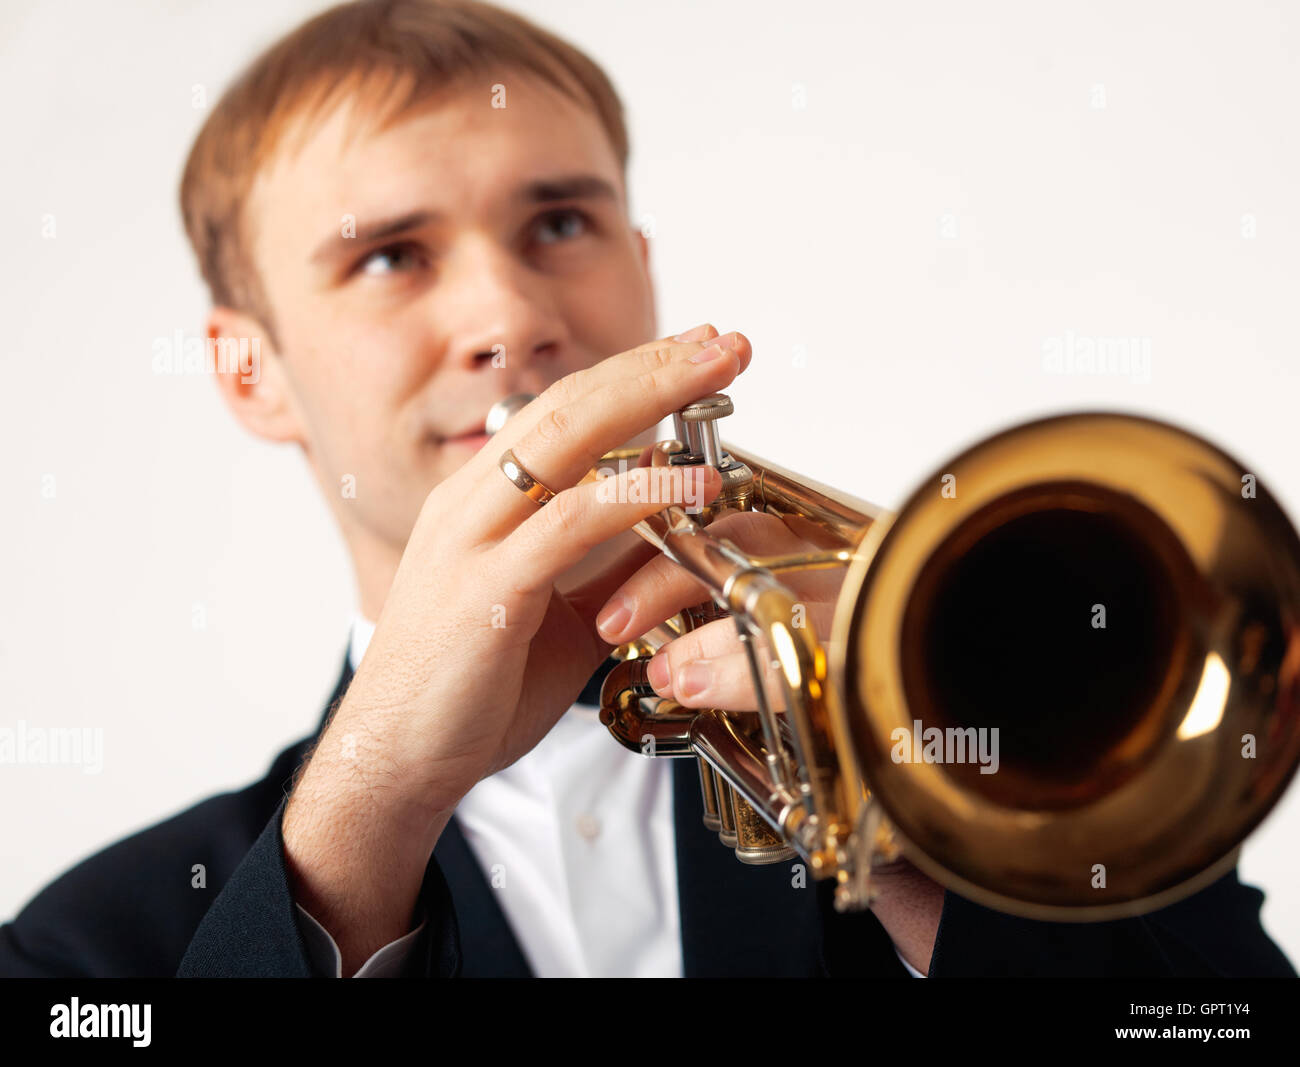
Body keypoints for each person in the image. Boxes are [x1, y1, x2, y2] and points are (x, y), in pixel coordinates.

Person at [1, 0, 1293, 979]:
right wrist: (366, 806)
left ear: (644, 268)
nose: (510, 317)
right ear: (247, 371)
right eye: (391, 256)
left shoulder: (1026, 774)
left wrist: (941, 819)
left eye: (561, 224)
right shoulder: (91, 950)